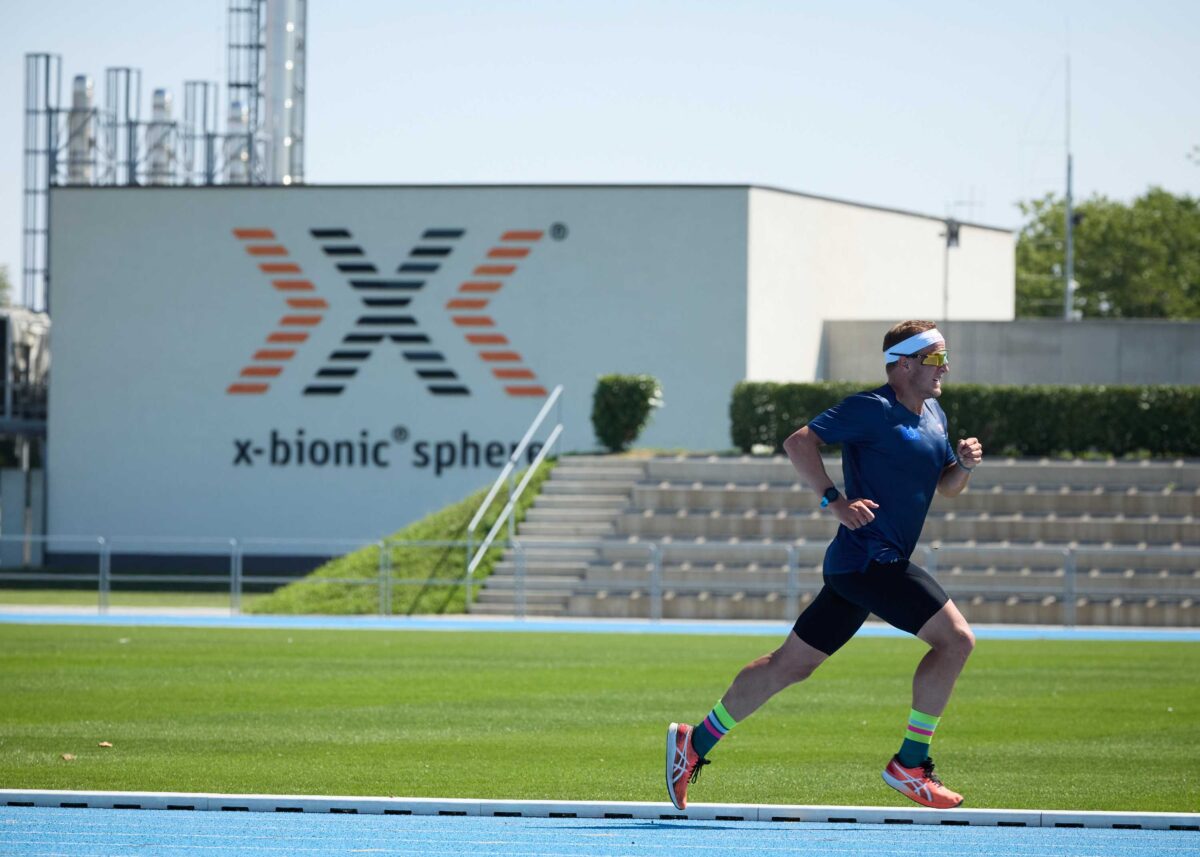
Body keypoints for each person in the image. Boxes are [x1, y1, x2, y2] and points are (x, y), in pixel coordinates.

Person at [666, 320, 983, 811]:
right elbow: (799, 442)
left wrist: (961, 464)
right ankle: (911, 764)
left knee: (788, 666)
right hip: (868, 560)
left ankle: (695, 743)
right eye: (936, 358)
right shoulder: (870, 408)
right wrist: (835, 501)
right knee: (956, 639)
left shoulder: (935, 414)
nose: (945, 367)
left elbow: (947, 486)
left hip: (860, 566)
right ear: (903, 364)